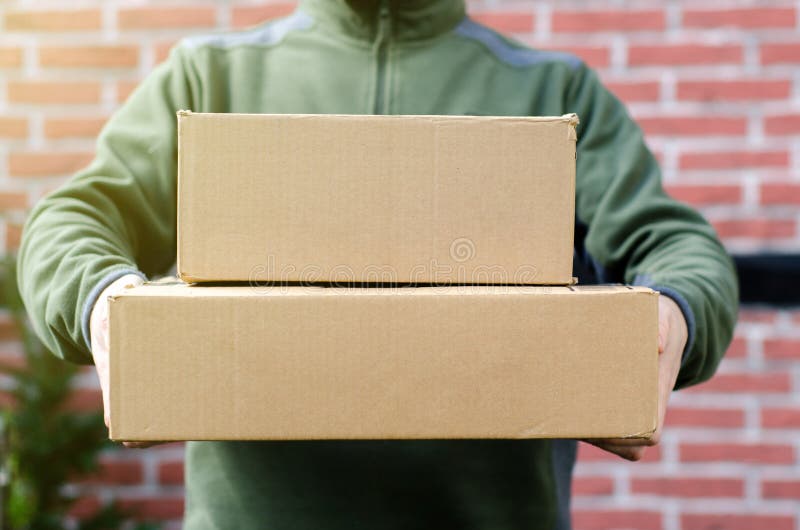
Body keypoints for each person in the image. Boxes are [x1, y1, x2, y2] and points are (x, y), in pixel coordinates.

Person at [17, 0, 738, 528]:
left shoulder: (553, 94)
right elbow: (71, 220)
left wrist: (675, 309)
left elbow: (678, 246)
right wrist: (102, 299)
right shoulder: (209, 82)